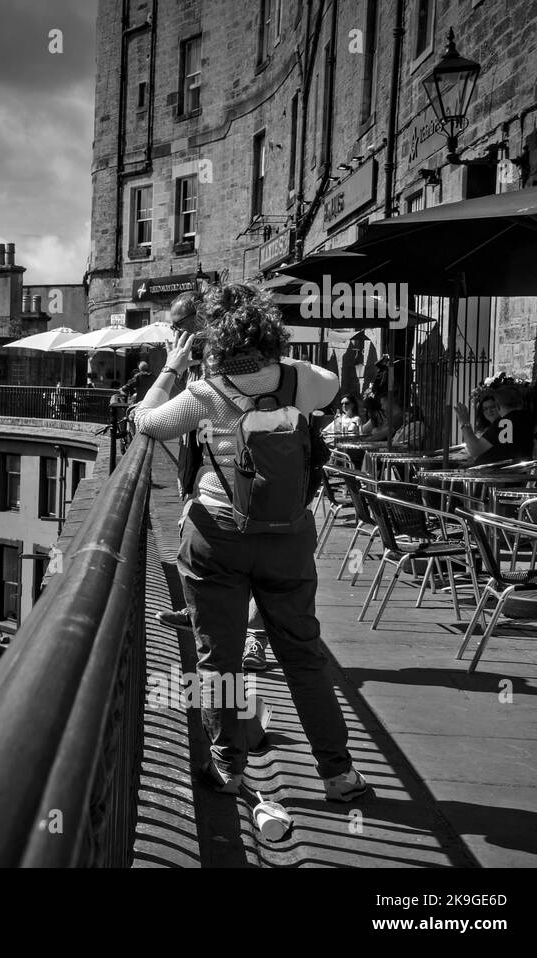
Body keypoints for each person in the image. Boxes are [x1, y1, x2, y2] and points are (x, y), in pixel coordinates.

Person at [134, 282, 368, 803]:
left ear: (213, 342)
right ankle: (337, 774)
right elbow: (333, 388)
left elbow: (145, 423)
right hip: (288, 537)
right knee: (303, 658)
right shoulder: (302, 379)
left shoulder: (205, 394)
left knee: (219, 658)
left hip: (217, 536)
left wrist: (172, 368)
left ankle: (228, 768)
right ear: (270, 335)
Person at [455, 384, 534, 465]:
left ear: (498, 406)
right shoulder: (529, 419)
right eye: (485, 409)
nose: (489, 411)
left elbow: (475, 450)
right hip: (519, 471)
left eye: (492, 407)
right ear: (521, 402)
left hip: (500, 474)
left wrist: (464, 422)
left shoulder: (505, 423)